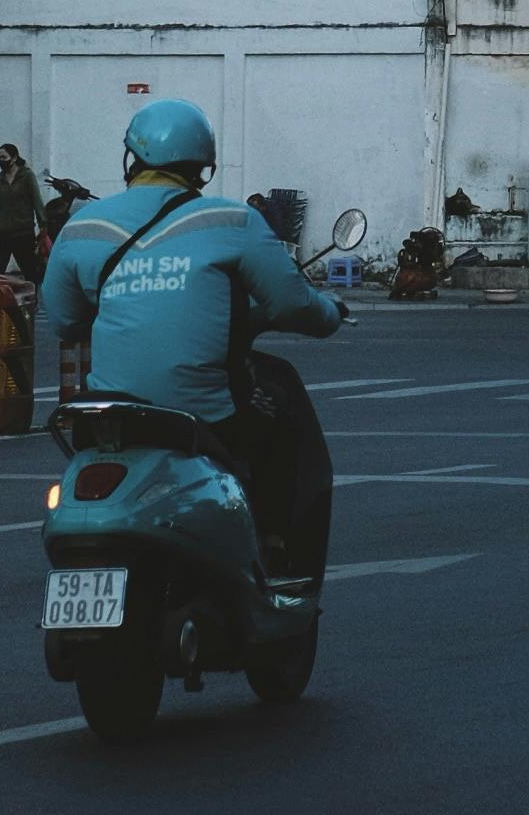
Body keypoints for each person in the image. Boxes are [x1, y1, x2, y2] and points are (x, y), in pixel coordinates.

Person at [38, 99, 344, 578]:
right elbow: (293, 305)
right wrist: (333, 312)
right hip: (205, 415)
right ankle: (276, 551)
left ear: (130, 160)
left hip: (107, 414)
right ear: (204, 168)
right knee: (278, 412)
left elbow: (64, 319)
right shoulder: (230, 221)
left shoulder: (83, 226)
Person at [0, 140, 48, 283]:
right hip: (3, 232)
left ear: (14, 158)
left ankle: (35, 301)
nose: (1, 161)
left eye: (4, 157)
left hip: (23, 233)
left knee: (30, 272)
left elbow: (37, 202)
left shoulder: (27, 176)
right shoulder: (0, 179)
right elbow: (1, 206)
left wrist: (43, 226)